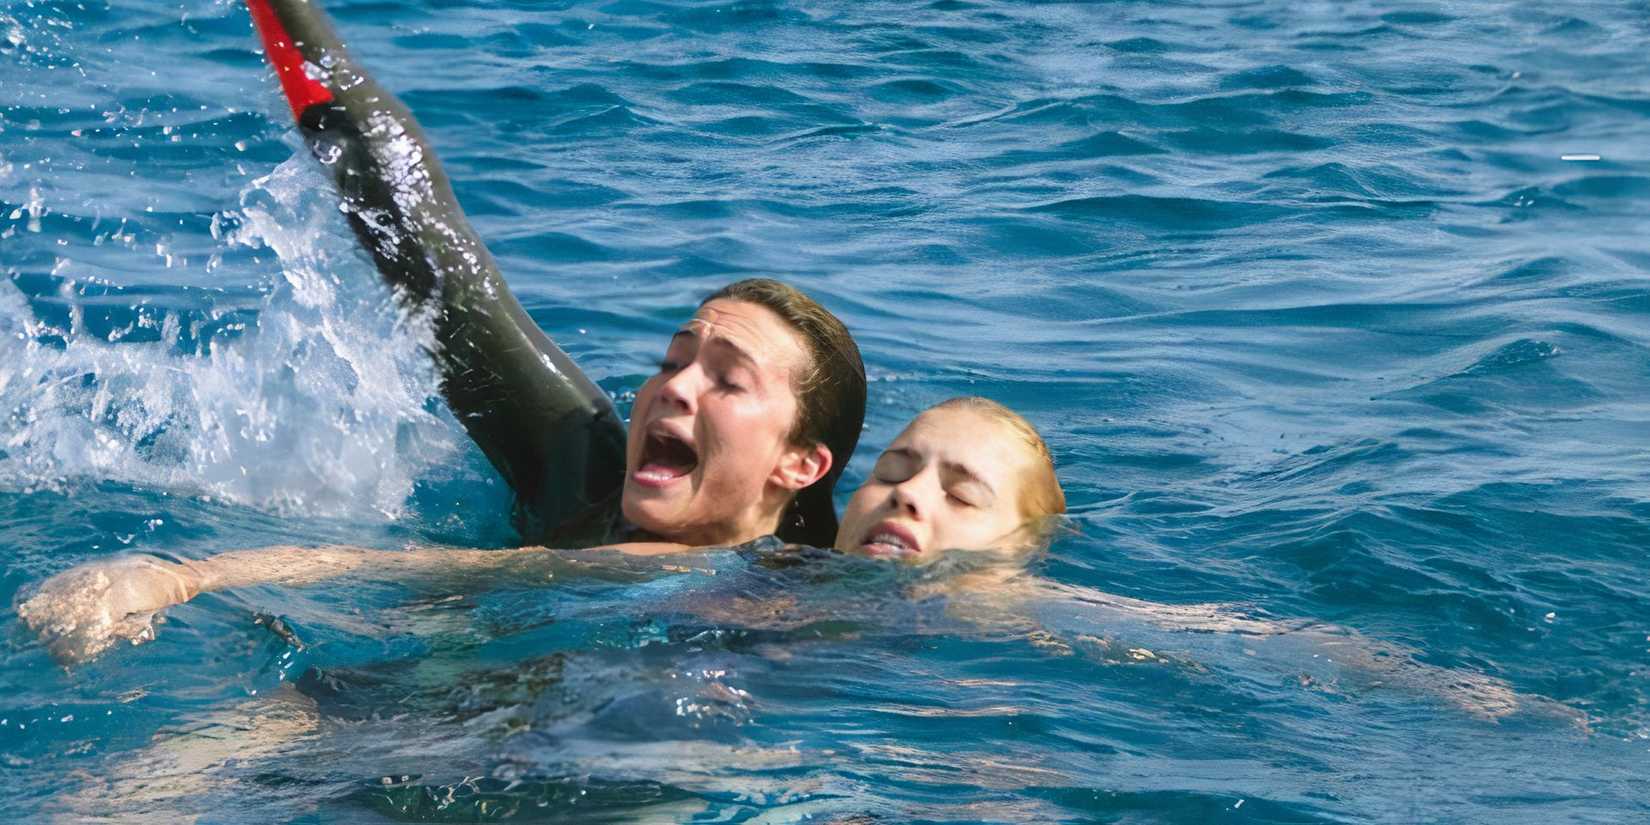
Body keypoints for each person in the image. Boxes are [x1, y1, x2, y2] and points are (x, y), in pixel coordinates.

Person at [239, 0, 865, 550]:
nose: (674, 388)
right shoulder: (578, 480)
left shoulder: (817, 610)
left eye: (728, 380)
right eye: (673, 361)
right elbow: (434, 259)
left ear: (800, 465)